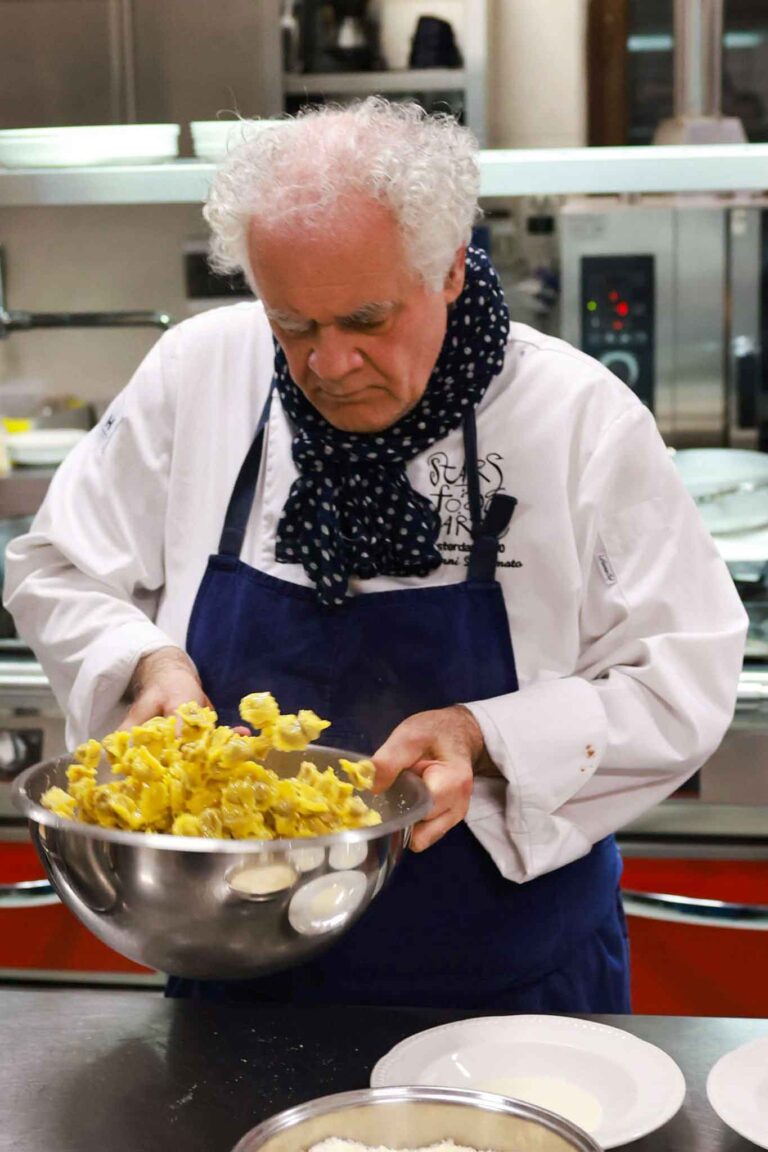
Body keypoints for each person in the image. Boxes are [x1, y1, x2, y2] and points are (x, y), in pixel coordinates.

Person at [5, 98, 747, 1012]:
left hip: (510, 984)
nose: (328, 363)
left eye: (364, 319)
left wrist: (484, 734)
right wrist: (144, 663)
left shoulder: (577, 417)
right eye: (294, 324)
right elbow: (55, 564)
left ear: (443, 271)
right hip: (236, 973)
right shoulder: (199, 372)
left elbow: (682, 679)